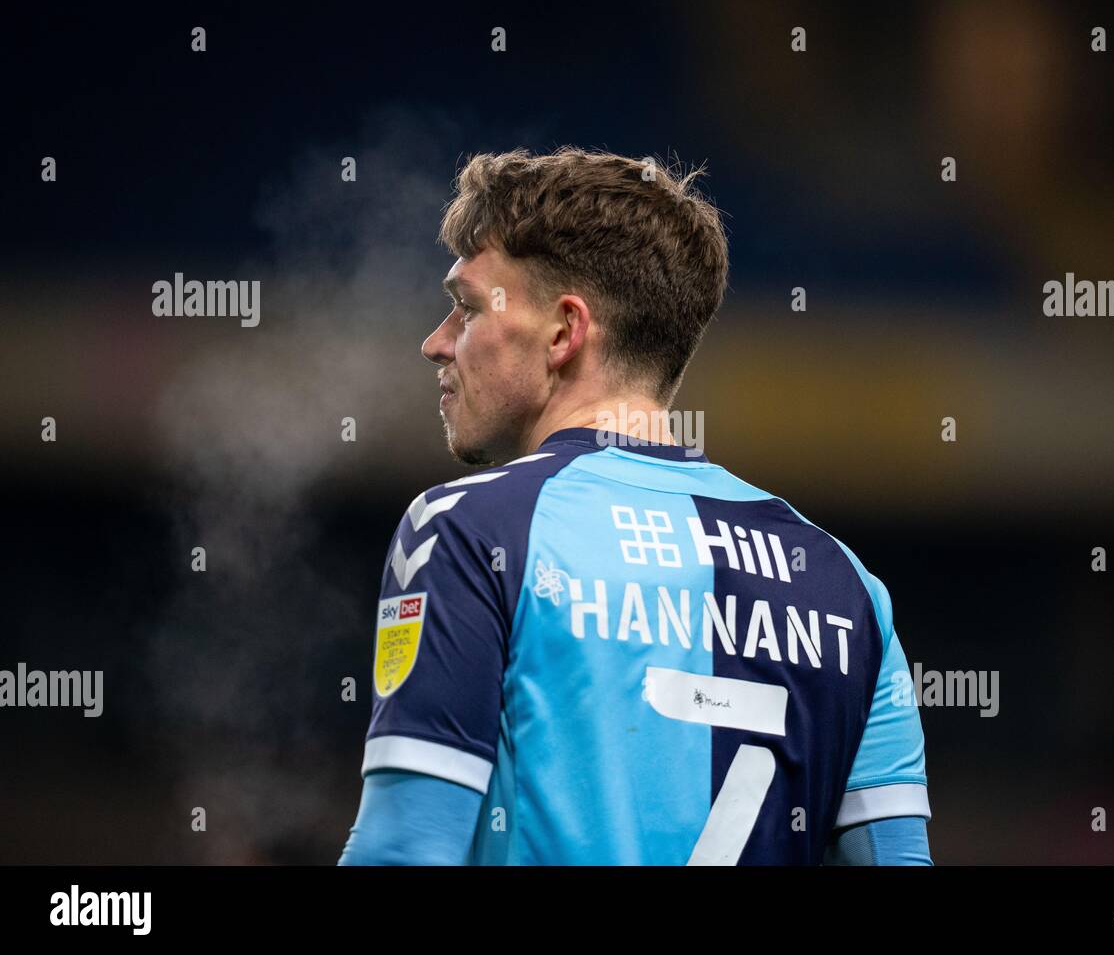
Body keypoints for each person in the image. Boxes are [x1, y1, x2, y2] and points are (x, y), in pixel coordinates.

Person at [339, 147, 931, 865]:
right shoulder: (847, 586)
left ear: (563, 332)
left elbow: (403, 851)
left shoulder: (468, 530)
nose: (436, 343)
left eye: (466, 308)